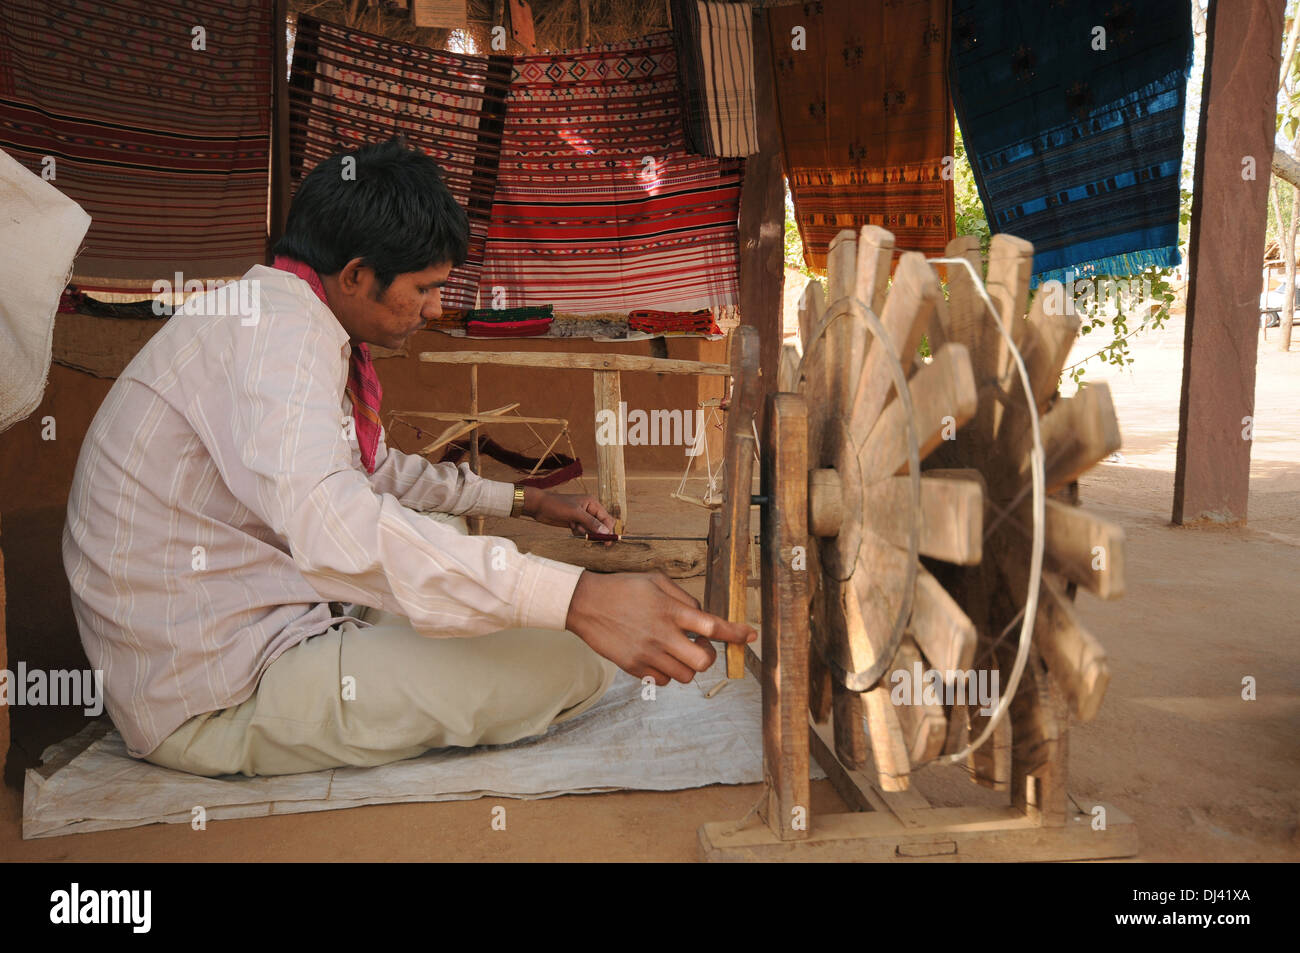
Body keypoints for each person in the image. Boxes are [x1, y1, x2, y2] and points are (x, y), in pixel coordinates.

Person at [62, 138, 755, 778]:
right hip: (213, 690)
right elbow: (334, 525)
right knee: (571, 659)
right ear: (359, 275)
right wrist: (577, 599)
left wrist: (528, 500)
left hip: (253, 623)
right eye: (422, 289)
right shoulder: (279, 340)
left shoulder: (282, 312)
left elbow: (370, 472)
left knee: (454, 547)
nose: (430, 309)